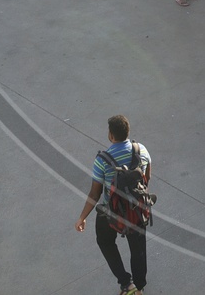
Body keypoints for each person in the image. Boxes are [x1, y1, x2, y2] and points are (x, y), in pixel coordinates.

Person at [75, 114, 152, 295]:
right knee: (138, 249)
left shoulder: (102, 160)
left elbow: (95, 192)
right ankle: (139, 288)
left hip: (111, 212)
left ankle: (126, 283)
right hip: (136, 211)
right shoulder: (142, 150)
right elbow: (146, 179)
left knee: (105, 241)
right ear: (128, 131)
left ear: (111, 135)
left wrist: (82, 217)